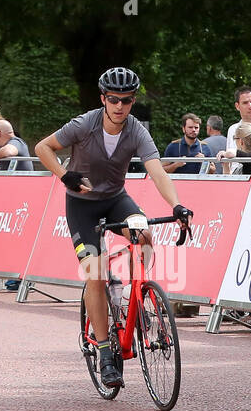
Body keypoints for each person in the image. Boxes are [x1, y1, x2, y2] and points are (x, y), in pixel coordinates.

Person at [33, 66, 193, 387]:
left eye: (127, 100)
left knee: (145, 233)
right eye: (114, 100)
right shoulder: (84, 124)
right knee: (96, 273)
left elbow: (157, 172)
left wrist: (176, 205)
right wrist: (65, 176)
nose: (120, 106)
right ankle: (106, 351)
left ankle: (137, 293)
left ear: (133, 101)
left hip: (116, 198)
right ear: (103, 99)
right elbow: (42, 148)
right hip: (82, 206)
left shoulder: (136, 130)